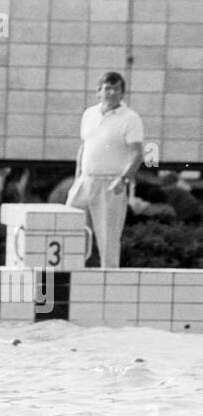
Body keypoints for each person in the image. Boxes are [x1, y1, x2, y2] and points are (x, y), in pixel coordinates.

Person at [66, 71, 143, 269]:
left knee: (108, 238)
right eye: (107, 88)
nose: (111, 93)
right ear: (98, 92)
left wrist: (124, 178)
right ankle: (65, 274)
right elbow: (84, 147)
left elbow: (137, 154)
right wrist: (77, 179)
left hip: (111, 183)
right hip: (85, 180)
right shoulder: (89, 114)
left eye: (116, 89)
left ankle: (109, 285)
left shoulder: (130, 118)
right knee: (67, 226)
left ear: (122, 93)